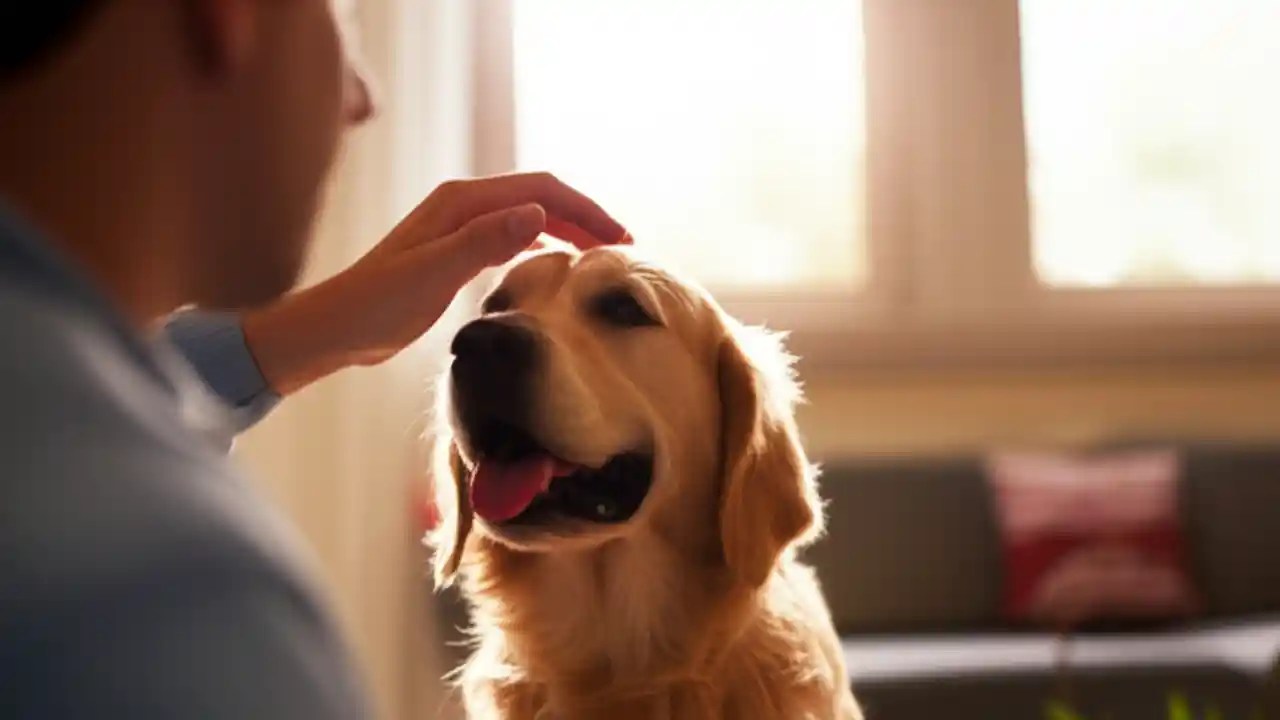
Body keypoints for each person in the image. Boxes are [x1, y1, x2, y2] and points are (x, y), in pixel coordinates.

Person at [0, 1, 627, 717]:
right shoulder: (165, 604)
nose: (361, 97)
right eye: (340, 13)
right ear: (228, 12)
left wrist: (316, 330)